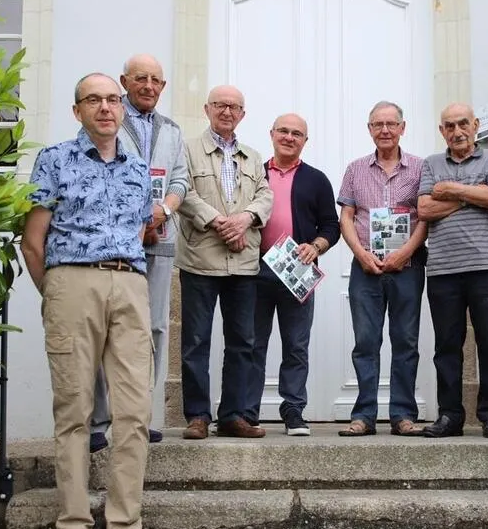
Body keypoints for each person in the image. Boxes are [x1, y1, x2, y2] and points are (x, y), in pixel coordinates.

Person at [21, 72, 171, 529]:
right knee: (75, 409)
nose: (106, 107)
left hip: (129, 283)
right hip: (72, 283)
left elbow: (141, 230)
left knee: (134, 411)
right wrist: (55, 295)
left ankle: (126, 525)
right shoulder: (54, 159)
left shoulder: (137, 168)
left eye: (112, 99)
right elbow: (32, 241)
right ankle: (73, 527)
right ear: (77, 109)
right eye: (94, 100)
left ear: (122, 109)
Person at [89, 54, 189, 451]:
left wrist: (161, 210)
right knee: (104, 328)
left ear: (163, 87)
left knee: (155, 329)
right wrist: (135, 220)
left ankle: (142, 417)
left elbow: (180, 179)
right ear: (124, 82)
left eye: (156, 80)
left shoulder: (172, 130)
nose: (148, 86)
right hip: (115, 243)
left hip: (161, 239)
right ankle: (99, 421)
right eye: (140, 78)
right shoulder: (109, 120)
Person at [176, 85, 273, 440]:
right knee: (196, 342)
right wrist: (220, 222)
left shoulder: (253, 156)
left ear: (243, 114)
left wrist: (245, 218)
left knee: (242, 342)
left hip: (243, 263)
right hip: (201, 260)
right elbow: (182, 191)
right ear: (207, 109)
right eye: (220, 105)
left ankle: (233, 415)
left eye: (234, 107)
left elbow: (265, 195)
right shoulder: (187, 150)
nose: (227, 111)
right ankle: (198, 416)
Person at [417, 103, 488, 439]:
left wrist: (453, 190)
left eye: (462, 124)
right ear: (441, 130)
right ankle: (450, 416)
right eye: (449, 126)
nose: (457, 131)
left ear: (474, 125)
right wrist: (475, 195)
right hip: (443, 270)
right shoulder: (430, 164)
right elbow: (425, 208)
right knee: (446, 346)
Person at [243, 114, 340, 435]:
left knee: (296, 346)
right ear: (271, 134)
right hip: (254, 270)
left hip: (296, 271)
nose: (289, 137)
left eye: (296, 133)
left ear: (305, 141)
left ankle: (294, 411)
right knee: (252, 344)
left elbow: (331, 226)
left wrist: (316, 246)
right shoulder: (254, 173)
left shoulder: (316, 179)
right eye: (283, 131)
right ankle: (247, 412)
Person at [336, 101, 427, 437]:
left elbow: (425, 216)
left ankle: (403, 414)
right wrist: (360, 254)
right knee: (365, 342)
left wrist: (406, 252)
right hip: (366, 267)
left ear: (403, 127)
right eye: (378, 124)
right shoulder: (355, 169)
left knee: (405, 341)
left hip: (408, 267)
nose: (385, 130)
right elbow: (346, 217)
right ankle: (364, 415)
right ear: (369, 129)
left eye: (391, 124)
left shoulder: (420, 168)